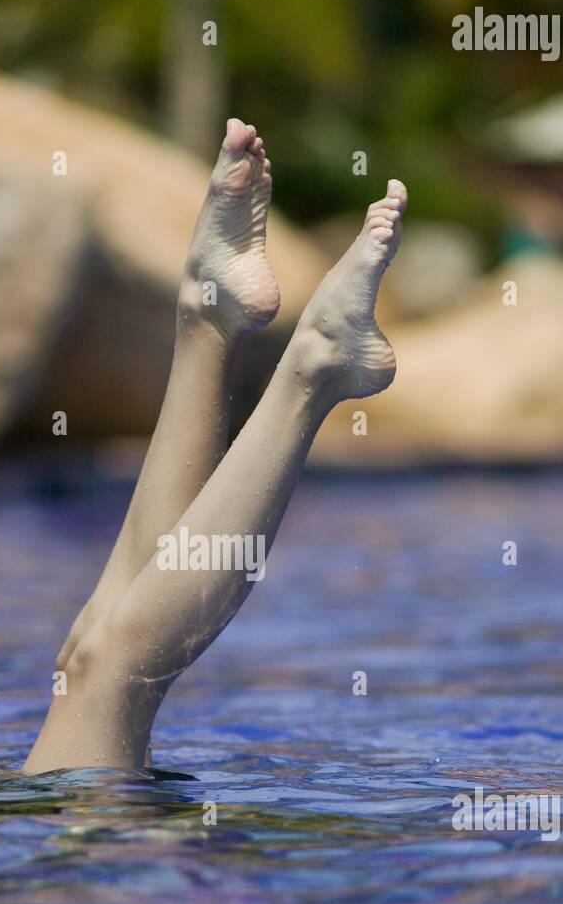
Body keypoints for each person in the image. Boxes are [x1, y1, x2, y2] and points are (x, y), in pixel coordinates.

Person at [25, 119, 407, 774]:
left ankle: (207, 316)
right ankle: (312, 365)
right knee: (106, 676)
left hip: (68, 840)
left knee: (89, 649)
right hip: (101, 851)